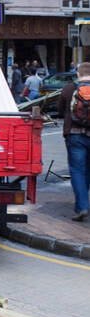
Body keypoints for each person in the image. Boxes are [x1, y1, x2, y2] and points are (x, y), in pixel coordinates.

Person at [58, 60, 90, 221]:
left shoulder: (69, 88)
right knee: (87, 170)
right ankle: (83, 202)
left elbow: (60, 109)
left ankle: (82, 206)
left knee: (77, 170)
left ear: (78, 74)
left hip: (74, 135)